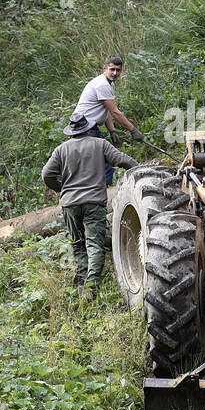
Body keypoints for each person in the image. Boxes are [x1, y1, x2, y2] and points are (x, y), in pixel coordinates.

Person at [41, 112, 138, 295]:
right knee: (94, 244)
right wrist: (140, 169)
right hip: (93, 202)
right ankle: (92, 287)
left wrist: (62, 188)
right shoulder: (99, 144)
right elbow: (122, 160)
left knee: (78, 243)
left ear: (71, 132)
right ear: (87, 130)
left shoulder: (61, 149)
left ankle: (81, 282)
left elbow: (46, 174)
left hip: (70, 204)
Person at [73, 55, 145, 186]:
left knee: (104, 160)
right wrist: (133, 130)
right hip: (84, 128)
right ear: (104, 68)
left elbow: (106, 111)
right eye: (112, 69)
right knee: (104, 162)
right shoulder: (102, 85)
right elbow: (115, 112)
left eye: (118, 70)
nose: (115, 73)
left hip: (90, 128)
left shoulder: (108, 84)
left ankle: (101, 190)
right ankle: (102, 194)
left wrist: (112, 130)